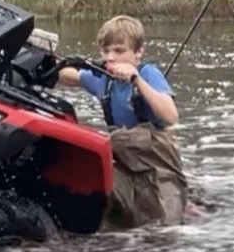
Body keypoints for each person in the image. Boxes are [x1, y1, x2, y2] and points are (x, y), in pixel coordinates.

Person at [58, 15, 187, 227]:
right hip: (122, 162)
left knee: (164, 225)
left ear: (138, 53)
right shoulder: (102, 80)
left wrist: (136, 80)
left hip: (156, 162)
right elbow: (67, 75)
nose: (111, 58)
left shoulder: (149, 73)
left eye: (119, 51)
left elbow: (171, 116)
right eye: (106, 51)